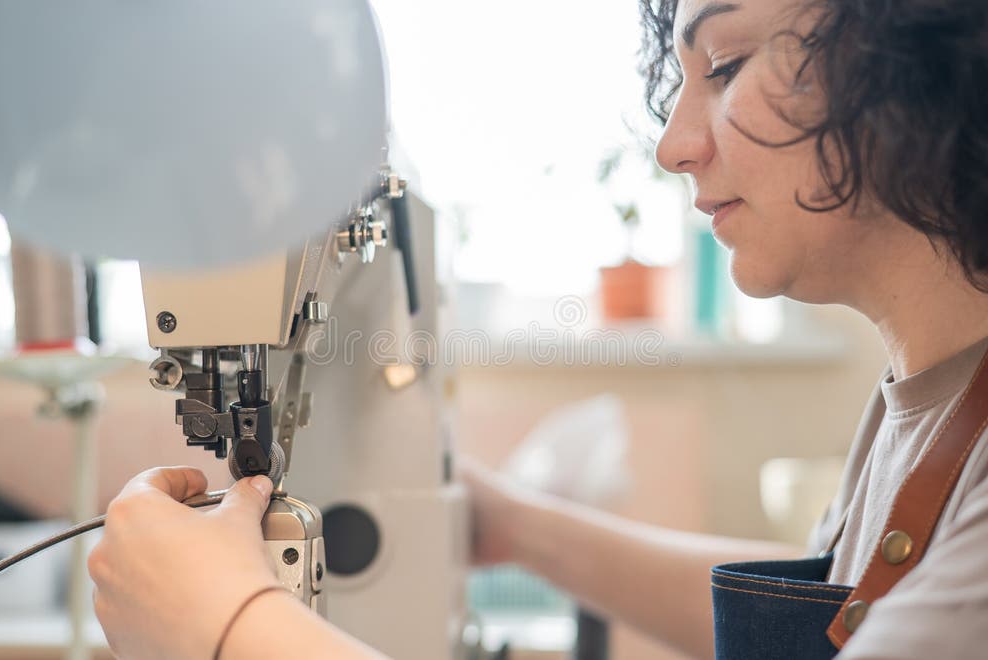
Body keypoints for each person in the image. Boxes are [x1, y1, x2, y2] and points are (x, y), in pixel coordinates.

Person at [89, 0, 988, 658]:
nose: (673, 144)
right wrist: (519, 528)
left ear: (917, 48)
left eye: (723, 65)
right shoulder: (929, 396)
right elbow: (836, 599)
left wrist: (229, 625)